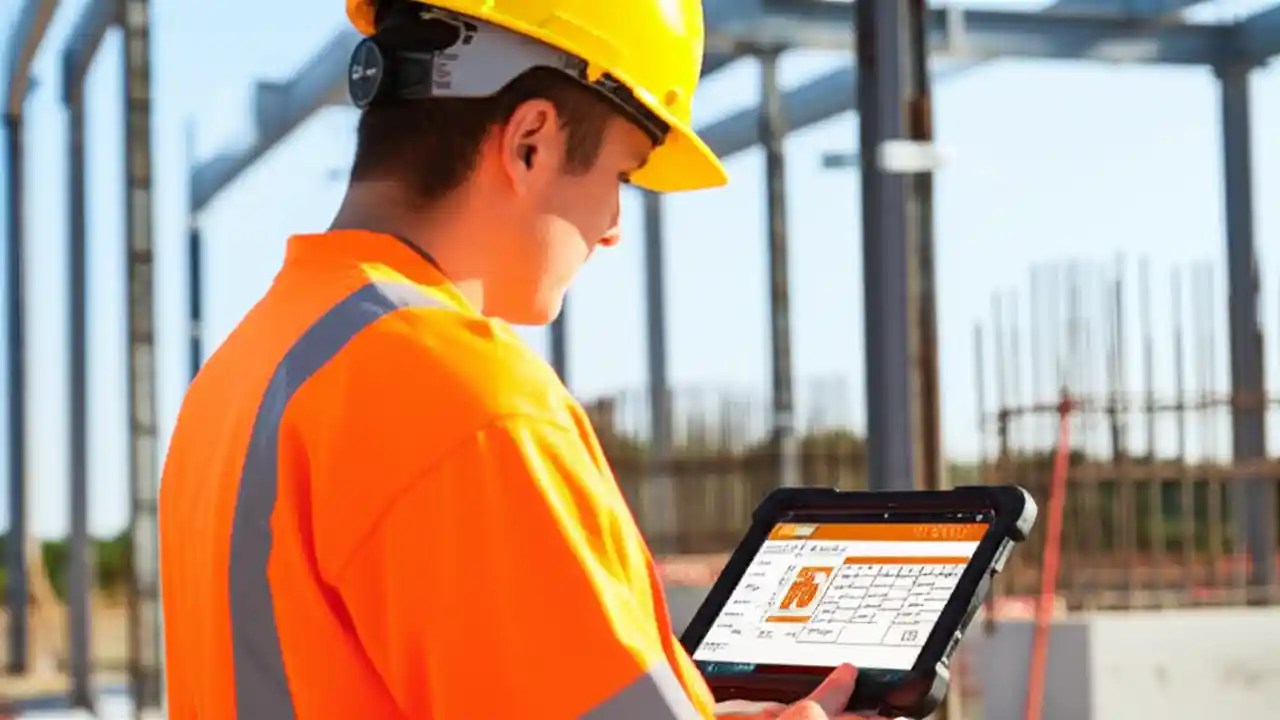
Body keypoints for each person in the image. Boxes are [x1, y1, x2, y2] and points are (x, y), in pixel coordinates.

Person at [158, 1, 892, 718]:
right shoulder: (466, 402)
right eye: (622, 174)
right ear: (531, 142)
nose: (611, 226)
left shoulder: (246, 371)